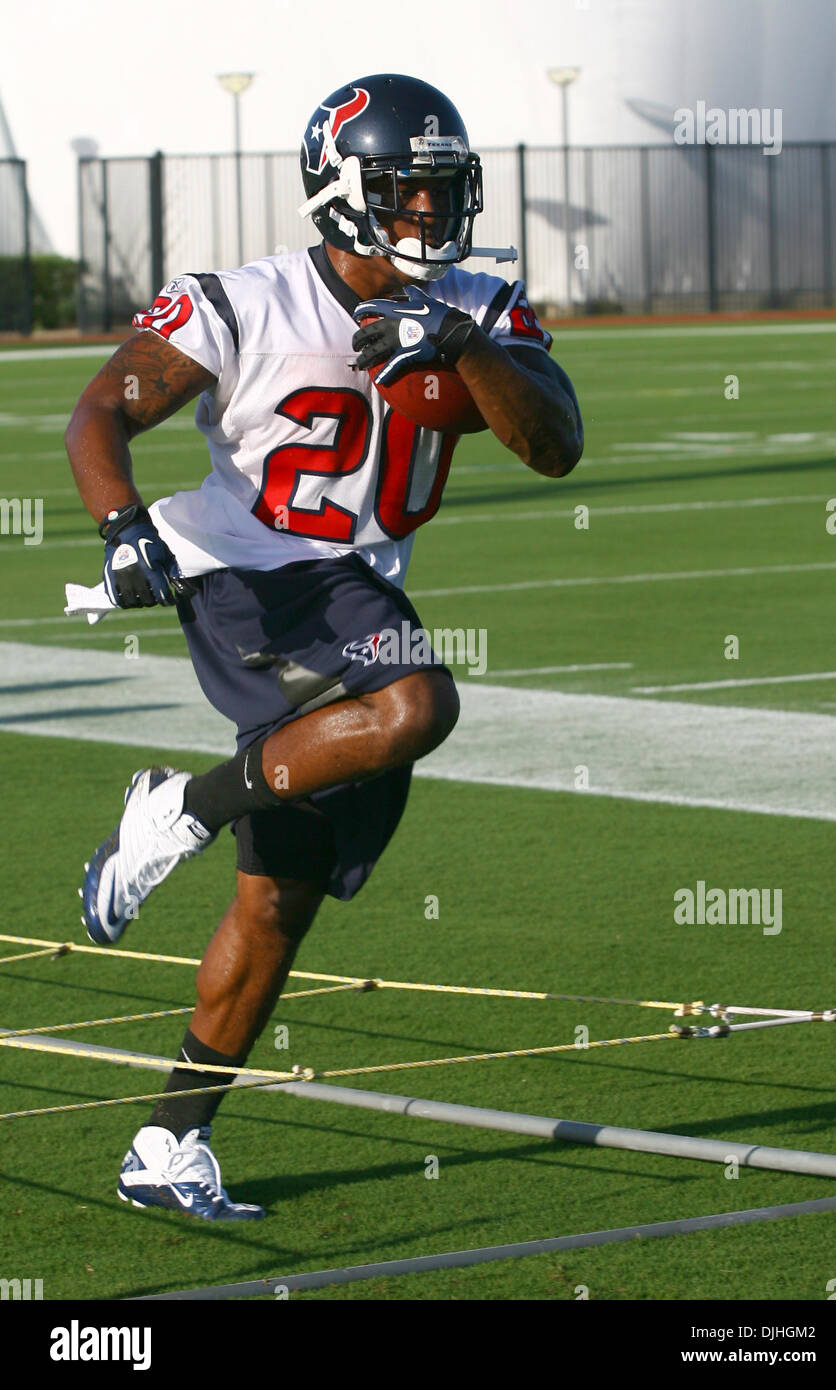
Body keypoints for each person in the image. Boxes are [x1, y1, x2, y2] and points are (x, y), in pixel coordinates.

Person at [65, 73, 583, 1220]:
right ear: (342, 191)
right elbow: (97, 412)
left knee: (279, 898)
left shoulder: (475, 301)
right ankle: (182, 808)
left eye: (441, 191)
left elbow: (554, 442)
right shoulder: (244, 302)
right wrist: (116, 530)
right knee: (416, 704)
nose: (427, 216)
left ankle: (167, 1139)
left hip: (351, 584)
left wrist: (459, 344)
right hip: (250, 576)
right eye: (404, 191)